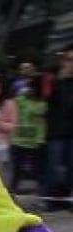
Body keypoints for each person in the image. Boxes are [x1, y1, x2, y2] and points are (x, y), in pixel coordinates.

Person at [45, 50, 73, 205]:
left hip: (71, 133)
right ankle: (52, 200)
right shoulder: (54, 81)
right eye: (69, 60)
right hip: (56, 133)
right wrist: (60, 81)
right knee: (53, 168)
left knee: (72, 168)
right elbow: (47, 101)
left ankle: (69, 199)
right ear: (63, 62)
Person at [11, 78, 48, 194]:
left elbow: (40, 118)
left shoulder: (42, 104)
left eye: (32, 87)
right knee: (17, 170)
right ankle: (12, 192)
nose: (29, 89)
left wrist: (40, 140)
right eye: (28, 87)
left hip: (35, 141)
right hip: (19, 141)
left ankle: (41, 194)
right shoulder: (20, 100)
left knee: (38, 171)